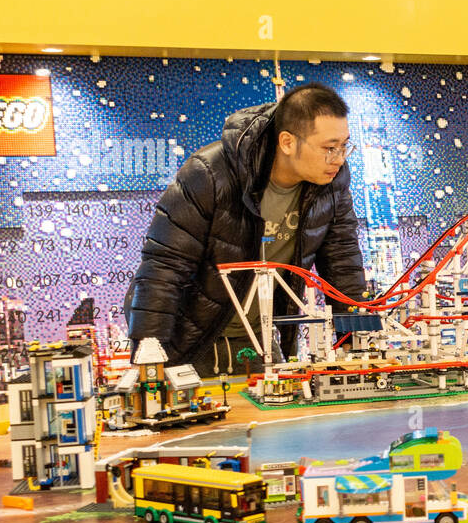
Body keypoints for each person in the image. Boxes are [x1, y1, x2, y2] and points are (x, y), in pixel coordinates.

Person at [125, 83, 367, 375]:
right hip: (191, 338)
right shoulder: (210, 173)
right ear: (288, 142)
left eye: (344, 146)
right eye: (329, 148)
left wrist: (358, 343)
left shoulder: (331, 183)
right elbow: (164, 266)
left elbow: (343, 264)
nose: (339, 159)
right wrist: (150, 358)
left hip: (258, 339)